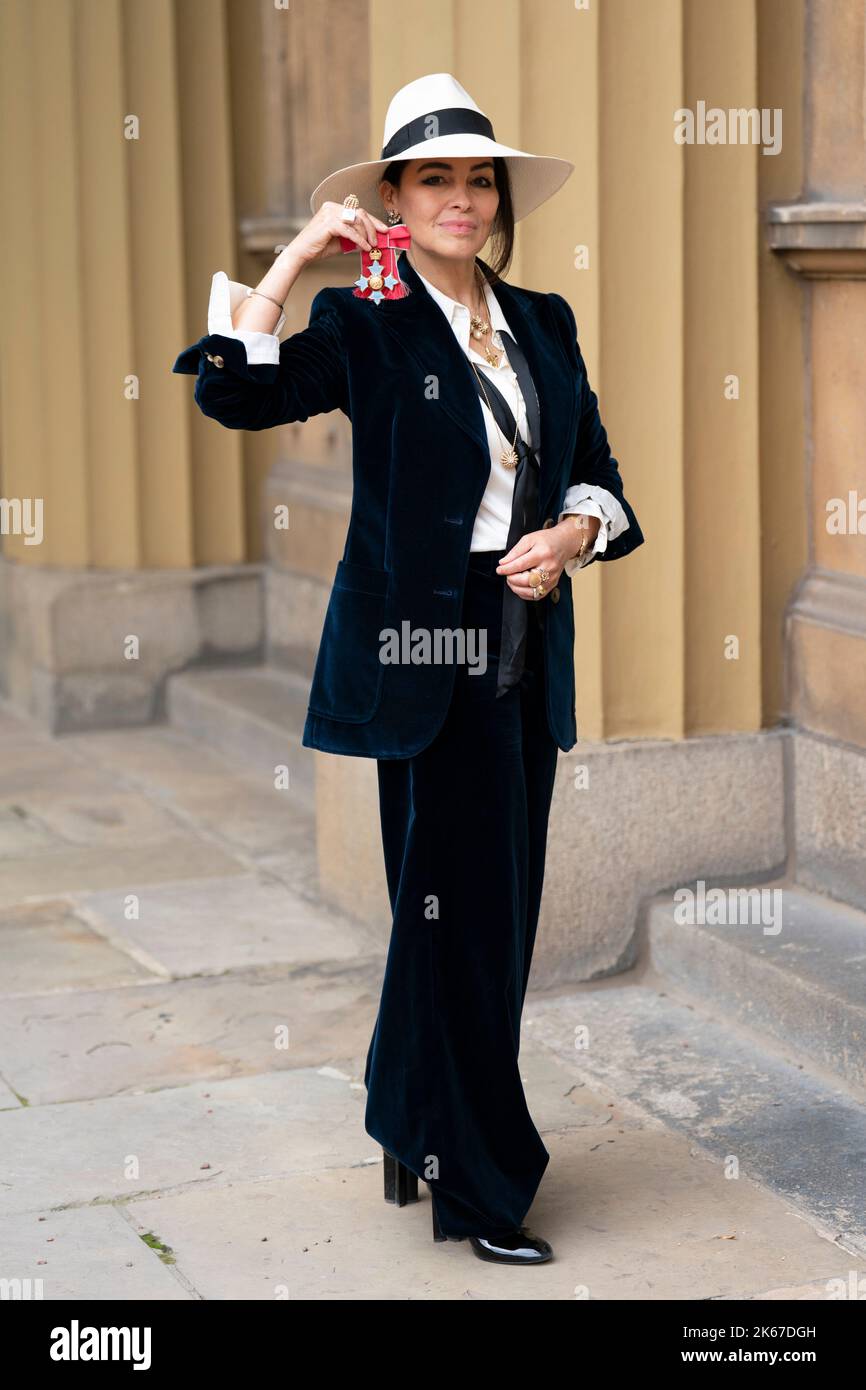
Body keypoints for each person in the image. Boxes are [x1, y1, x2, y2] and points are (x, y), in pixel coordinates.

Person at [173, 73, 644, 1265]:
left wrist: (571, 534)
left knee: (490, 921)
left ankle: (408, 1115)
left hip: (520, 650)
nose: (461, 198)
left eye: (477, 177)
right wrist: (290, 265)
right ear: (391, 195)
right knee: (454, 924)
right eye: (434, 177)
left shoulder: (543, 319)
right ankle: (481, 1187)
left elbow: (599, 473)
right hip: (414, 659)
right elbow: (235, 392)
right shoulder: (364, 325)